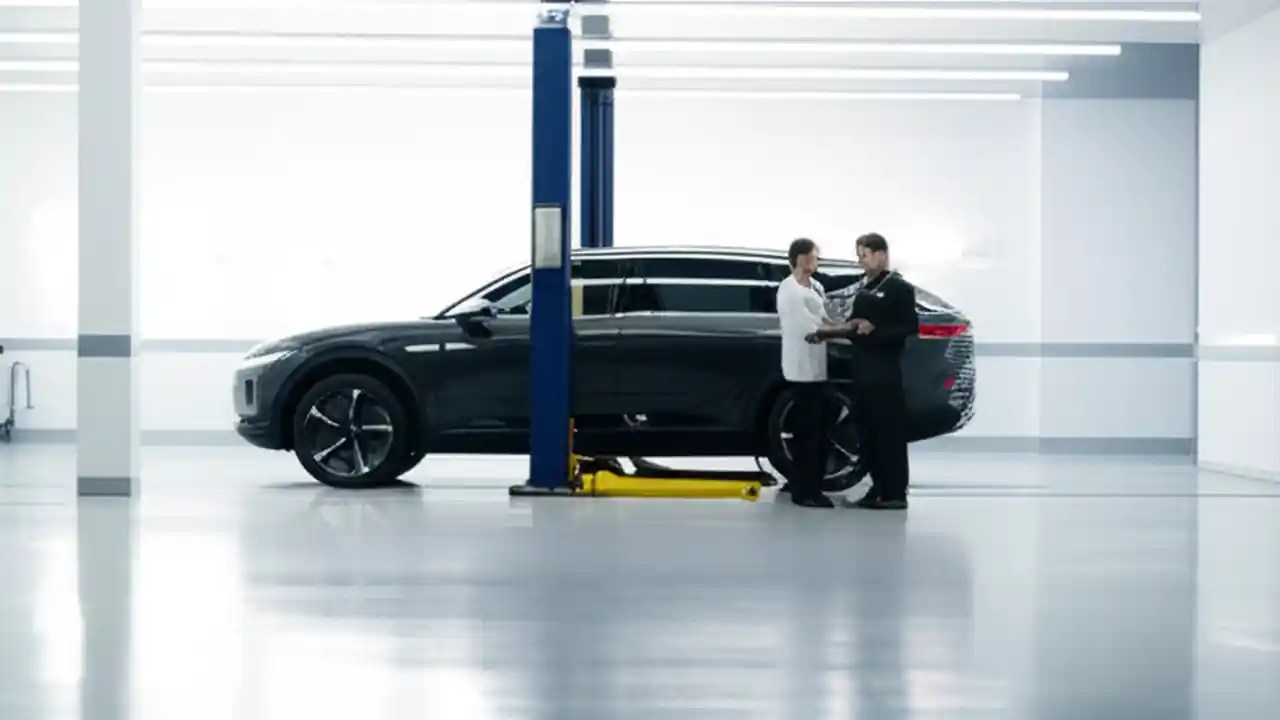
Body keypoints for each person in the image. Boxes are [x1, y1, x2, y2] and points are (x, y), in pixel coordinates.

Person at [808, 233, 917, 510]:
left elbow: (908, 328)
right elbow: (854, 324)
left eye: (865, 255)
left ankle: (894, 493)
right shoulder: (865, 286)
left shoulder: (898, 288)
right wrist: (832, 330)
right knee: (868, 432)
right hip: (863, 369)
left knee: (889, 433)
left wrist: (876, 331)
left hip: (884, 372)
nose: (862, 261)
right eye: (859, 256)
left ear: (881, 254)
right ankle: (877, 487)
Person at [776, 238, 835, 509]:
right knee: (807, 431)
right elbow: (808, 327)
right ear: (799, 258)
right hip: (800, 367)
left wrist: (835, 326)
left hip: (818, 365)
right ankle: (805, 490)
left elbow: (824, 317)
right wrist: (846, 330)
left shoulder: (817, 286)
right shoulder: (788, 290)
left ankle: (808, 483)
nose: (817, 261)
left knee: (815, 428)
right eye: (813, 256)